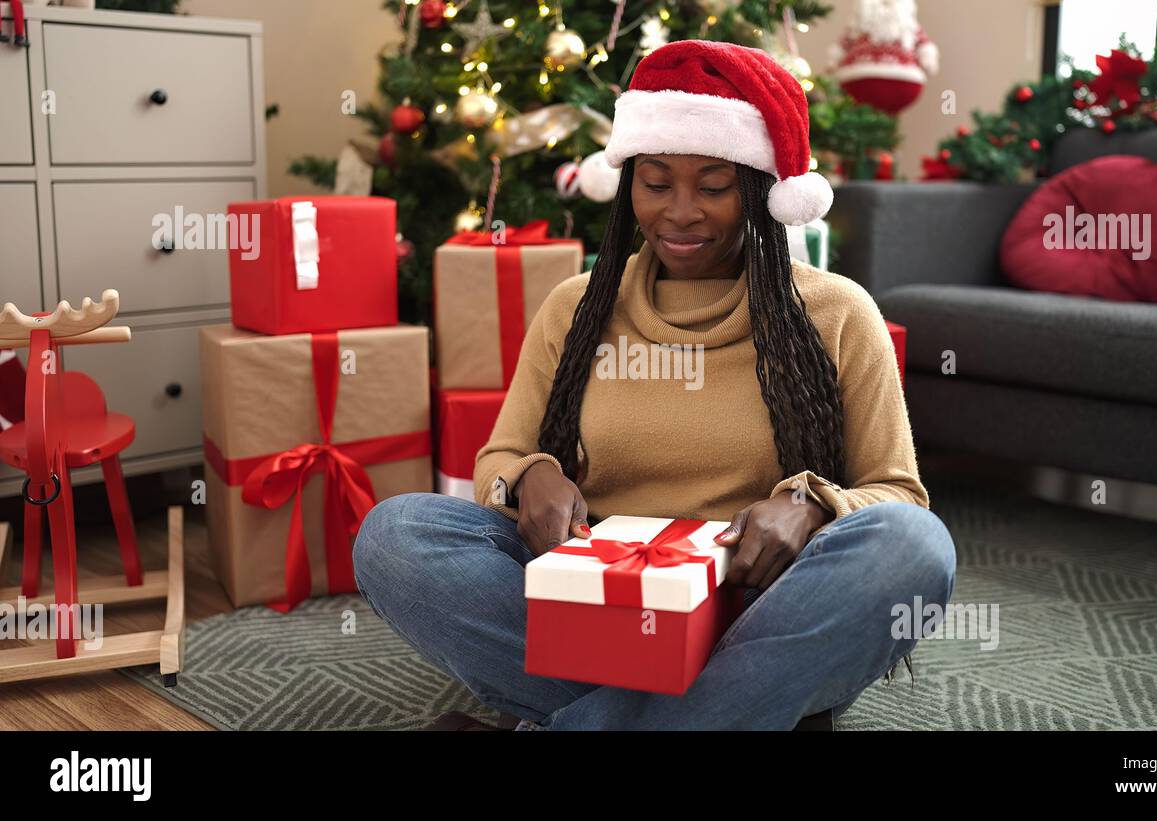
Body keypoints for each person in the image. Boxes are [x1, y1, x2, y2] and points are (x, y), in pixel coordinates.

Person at [353, 39, 956, 731]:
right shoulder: (576, 307)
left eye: (714, 185)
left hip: (756, 613)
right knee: (395, 533)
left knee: (914, 547)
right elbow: (496, 461)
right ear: (628, 182)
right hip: (602, 615)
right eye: (657, 181)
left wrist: (812, 503)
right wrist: (531, 475)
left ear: (760, 188)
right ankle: (738, 713)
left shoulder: (837, 312)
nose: (680, 212)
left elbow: (898, 493)